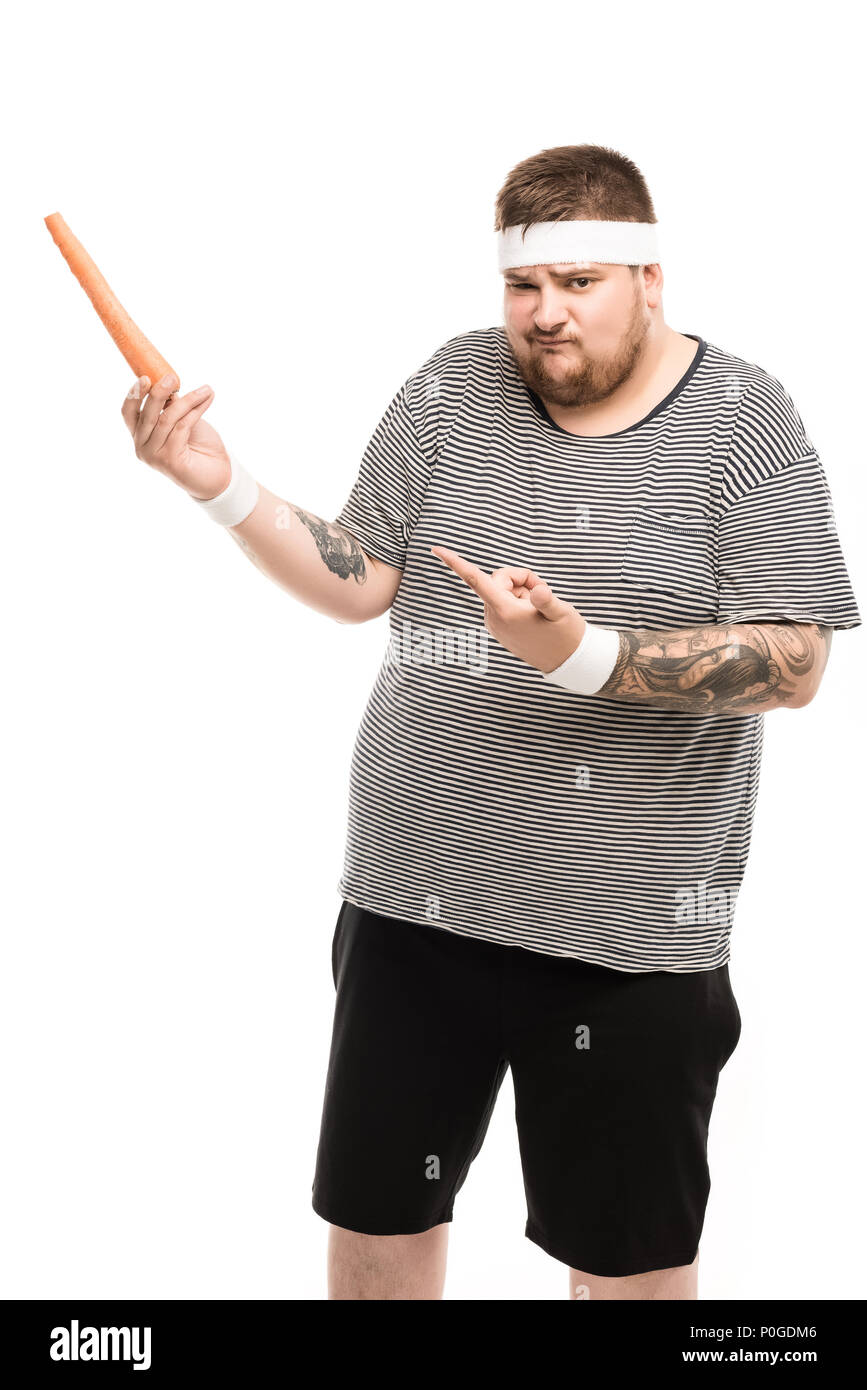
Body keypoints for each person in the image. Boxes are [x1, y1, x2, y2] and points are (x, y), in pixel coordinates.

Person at [121, 143, 861, 1301]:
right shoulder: (452, 383)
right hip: (413, 903)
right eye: (525, 286)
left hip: (628, 942)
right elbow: (364, 574)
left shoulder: (742, 420)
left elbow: (796, 657)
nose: (545, 316)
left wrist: (581, 655)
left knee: (624, 1264)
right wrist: (220, 483)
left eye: (580, 283)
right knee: (377, 1222)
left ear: (650, 279)